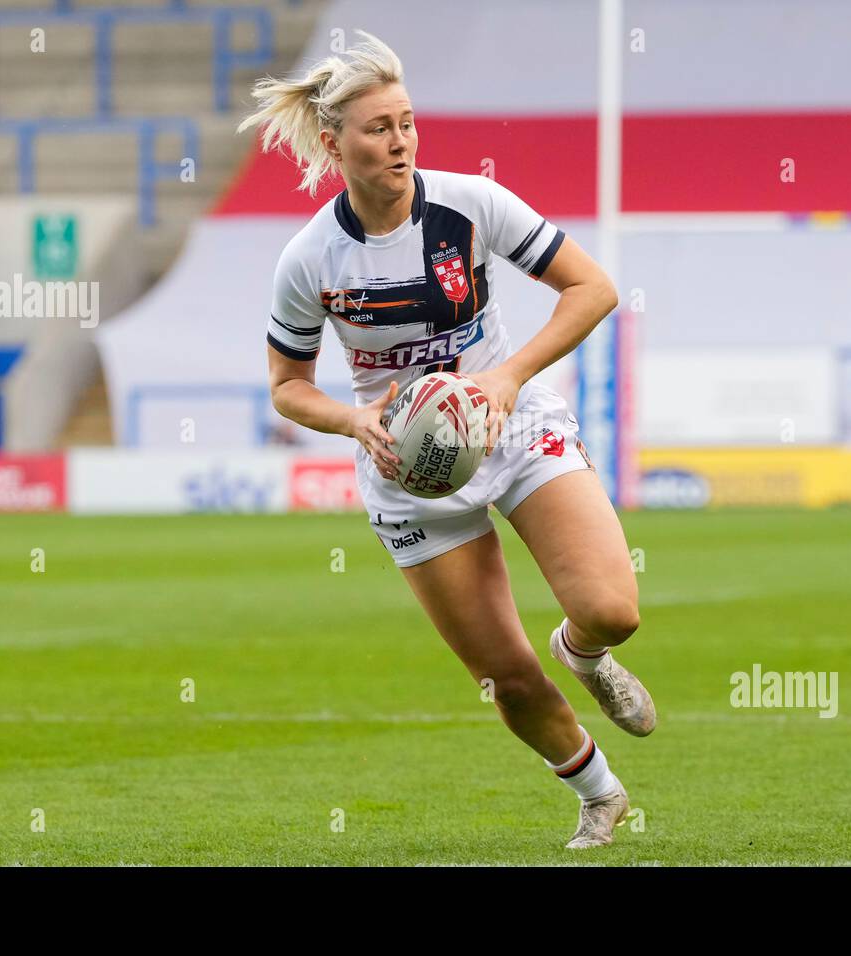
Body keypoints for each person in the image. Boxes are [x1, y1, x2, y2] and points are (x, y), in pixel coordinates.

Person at [239, 30, 655, 849]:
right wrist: (358, 420)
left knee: (613, 608)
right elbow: (287, 388)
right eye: (377, 128)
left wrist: (505, 379)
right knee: (501, 673)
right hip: (407, 464)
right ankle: (601, 795)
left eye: (406, 122)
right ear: (334, 144)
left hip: (511, 420)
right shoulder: (309, 258)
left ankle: (583, 652)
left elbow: (592, 288)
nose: (399, 142)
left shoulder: (469, 204)